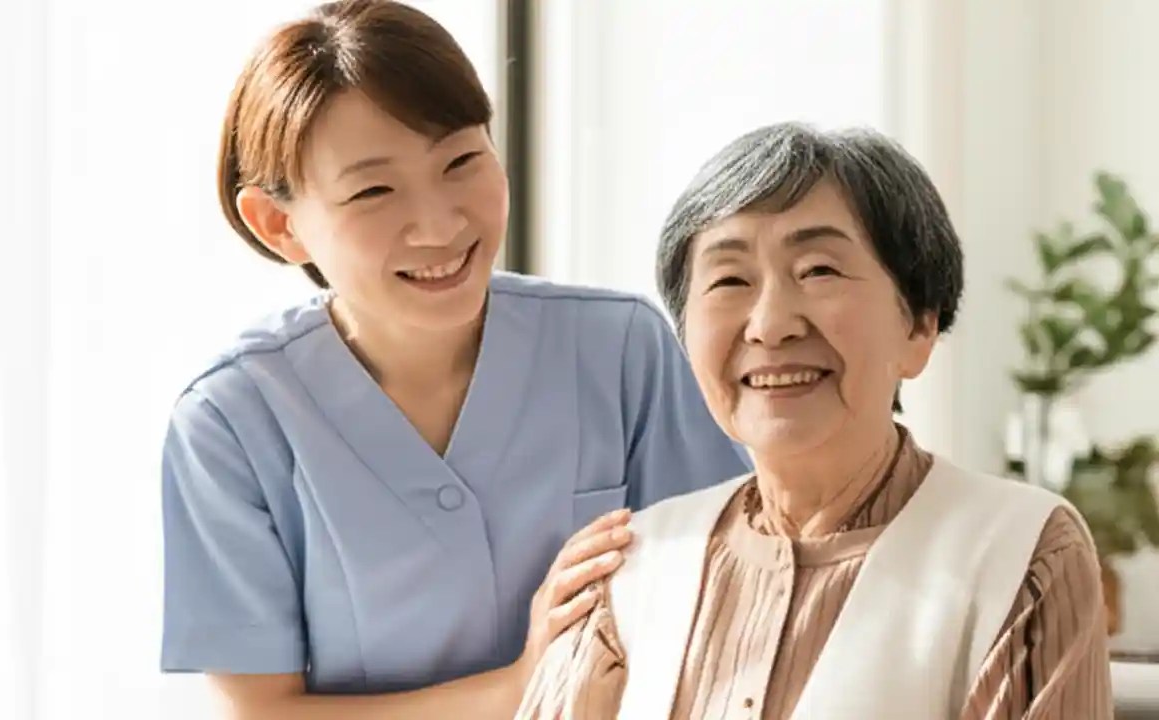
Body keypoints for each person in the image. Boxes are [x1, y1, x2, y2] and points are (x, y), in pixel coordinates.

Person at [158, 1, 750, 718]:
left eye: (462, 160)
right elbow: (262, 713)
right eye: (374, 190)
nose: (440, 224)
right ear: (279, 225)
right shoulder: (230, 424)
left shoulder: (620, 349)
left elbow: (725, 602)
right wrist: (521, 686)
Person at [517, 123, 1113, 719]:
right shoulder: (626, 571)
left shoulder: (1022, 556)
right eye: (729, 280)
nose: (770, 324)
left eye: (819, 271)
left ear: (920, 325)